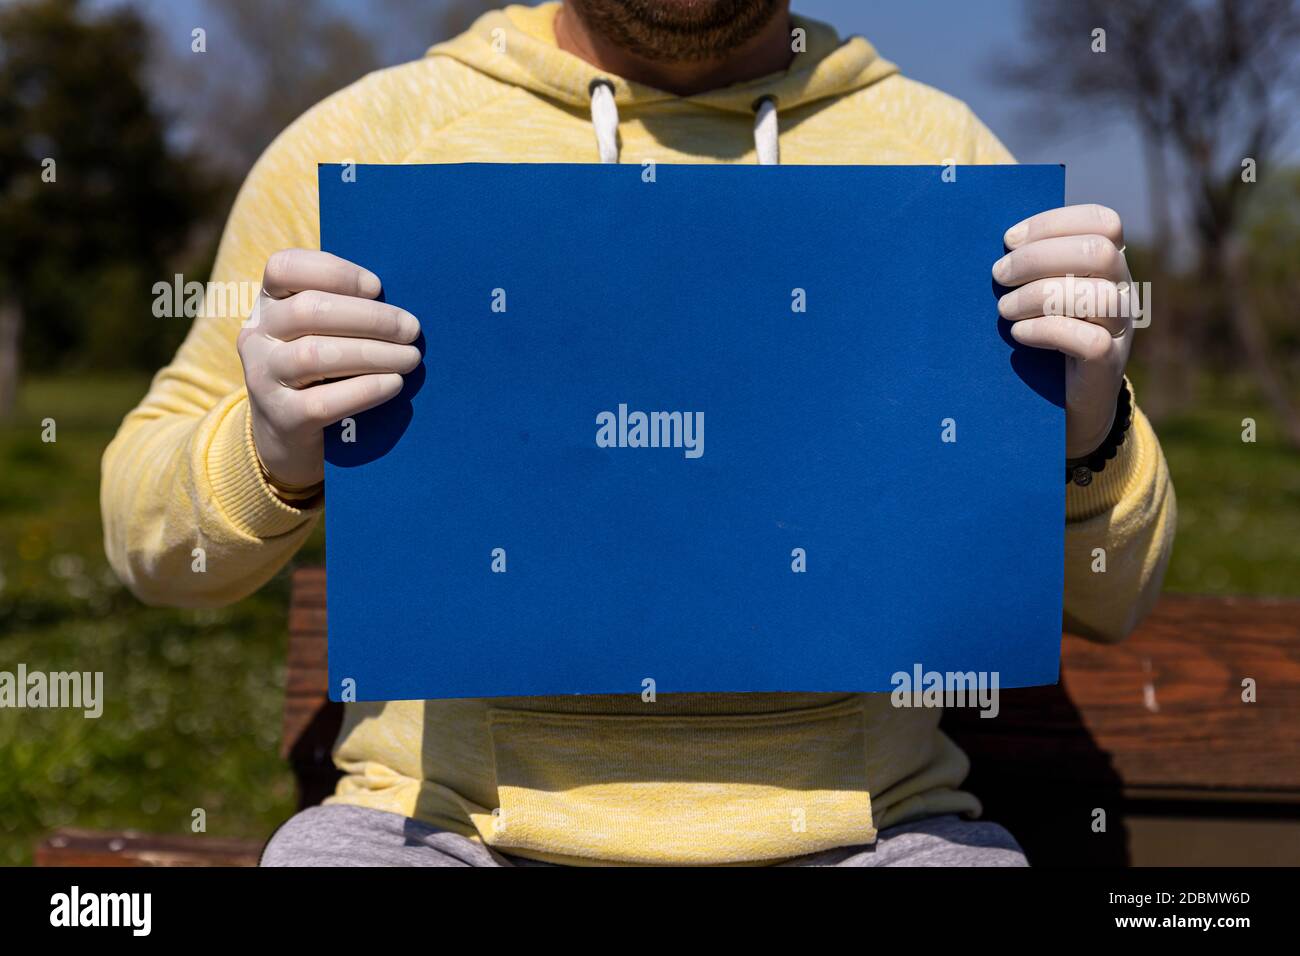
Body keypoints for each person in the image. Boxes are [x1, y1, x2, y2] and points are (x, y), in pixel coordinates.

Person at [101, 1, 1176, 866]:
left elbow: (1114, 597)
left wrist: (1087, 429)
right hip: (437, 830)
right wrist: (271, 448)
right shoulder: (367, 143)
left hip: (877, 833)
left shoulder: (938, 154)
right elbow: (148, 546)